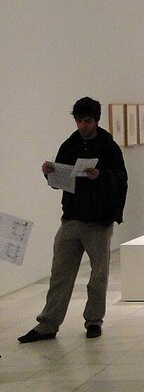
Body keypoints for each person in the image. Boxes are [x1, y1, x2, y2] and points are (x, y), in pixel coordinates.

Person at [18, 97, 128, 343]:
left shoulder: (108, 147)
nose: (82, 126)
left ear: (96, 120)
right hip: (71, 218)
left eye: (87, 121)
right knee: (60, 274)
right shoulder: (69, 144)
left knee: (98, 275)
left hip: (98, 222)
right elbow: (59, 181)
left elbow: (121, 178)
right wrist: (50, 174)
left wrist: (100, 176)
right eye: (78, 121)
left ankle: (93, 320)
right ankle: (48, 324)